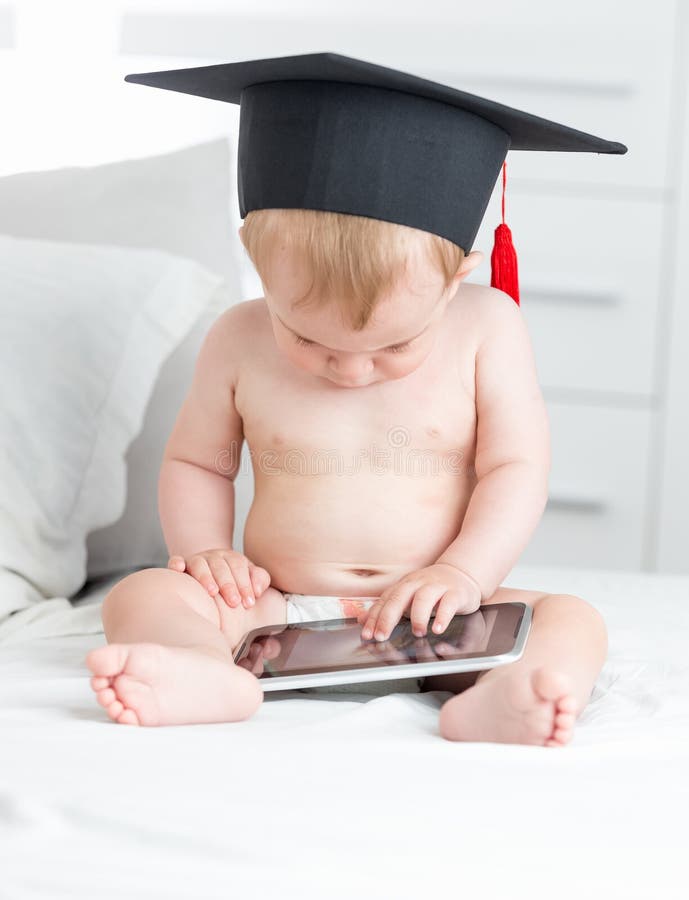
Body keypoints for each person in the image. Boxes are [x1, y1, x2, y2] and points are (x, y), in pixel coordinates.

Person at [86, 53, 625, 744]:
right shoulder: (238, 337)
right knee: (144, 595)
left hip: (444, 611)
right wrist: (204, 552)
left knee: (569, 618)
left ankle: (508, 693)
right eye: (308, 340)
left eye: (394, 347)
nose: (349, 371)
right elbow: (201, 461)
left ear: (456, 278)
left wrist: (463, 572)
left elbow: (513, 468)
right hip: (272, 612)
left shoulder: (487, 327)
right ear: (257, 264)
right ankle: (198, 668)